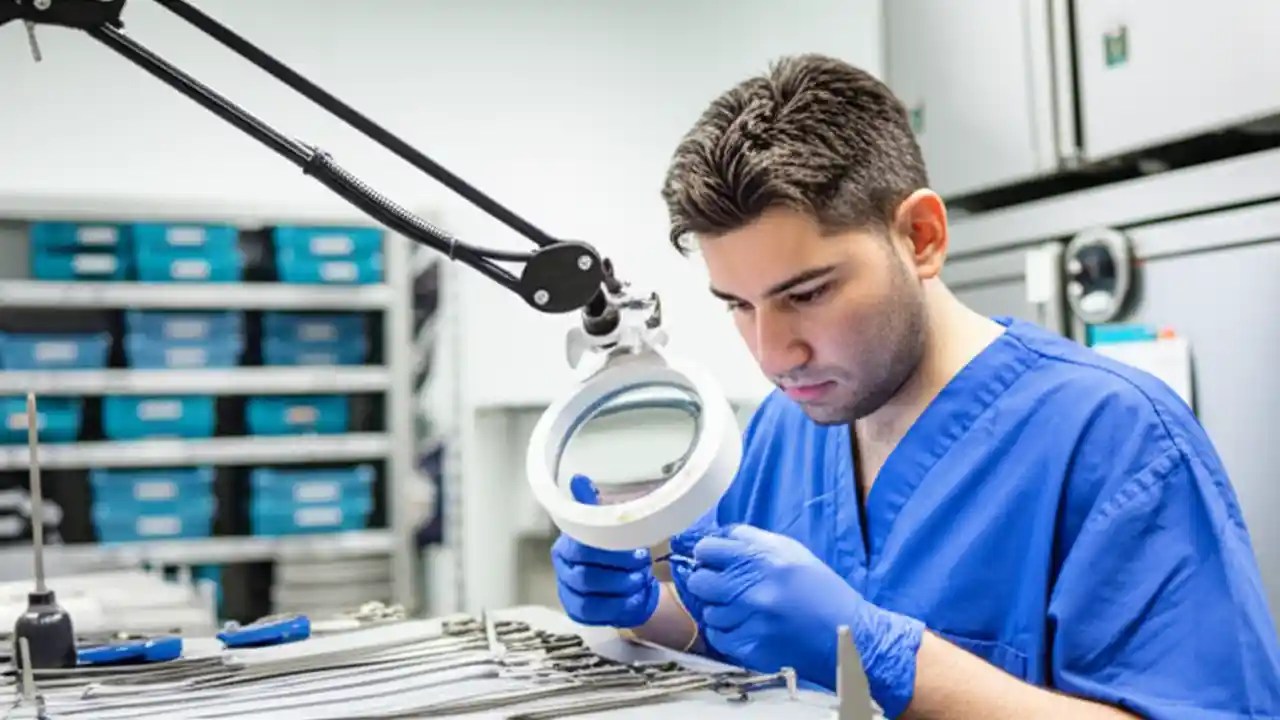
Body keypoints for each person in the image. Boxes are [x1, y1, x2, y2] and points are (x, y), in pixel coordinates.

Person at [550, 53, 1280, 718]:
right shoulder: (779, 431)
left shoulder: (1116, 437)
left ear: (922, 237)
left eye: (808, 293)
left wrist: (891, 658)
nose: (775, 352)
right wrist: (653, 611)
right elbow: (752, 650)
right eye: (739, 304)